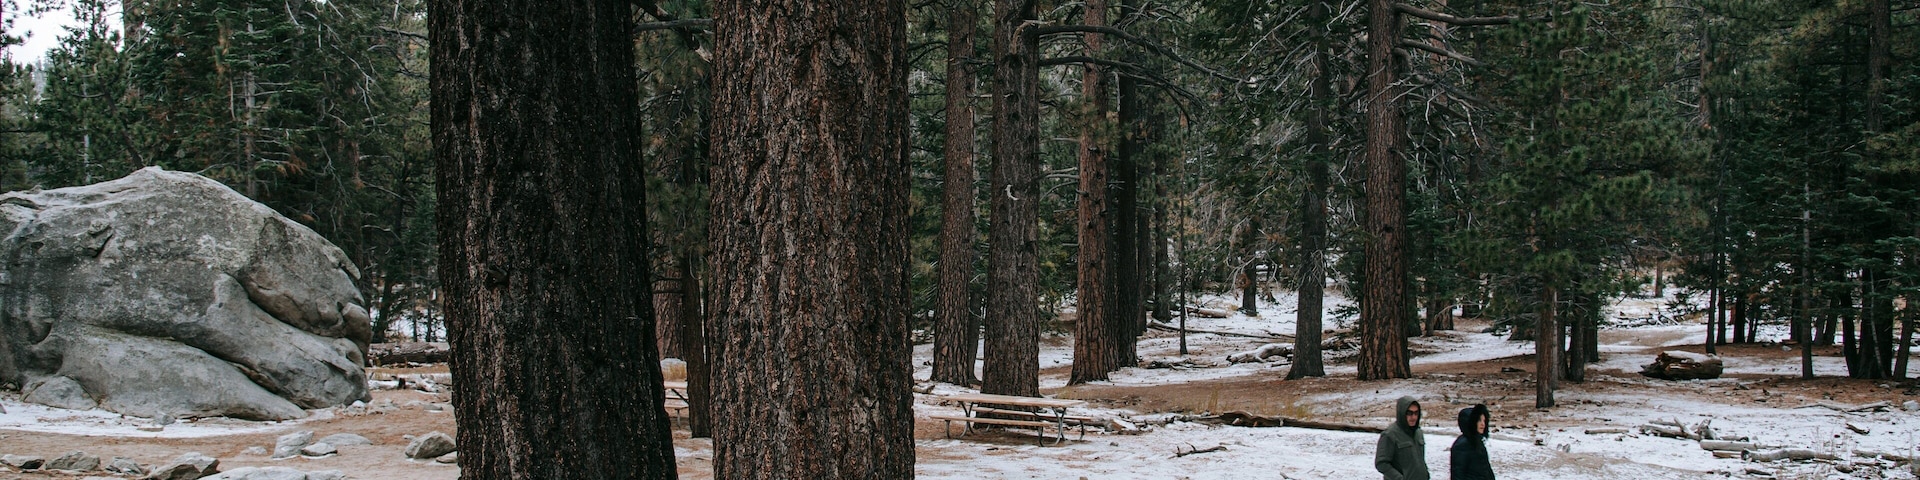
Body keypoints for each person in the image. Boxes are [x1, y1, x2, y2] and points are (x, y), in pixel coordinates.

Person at [1375, 396, 1430, 480]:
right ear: (1402, 413)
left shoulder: (1418, 433)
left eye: (1416, 413)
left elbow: (1420, 459)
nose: (1413, 417)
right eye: (1409, 413)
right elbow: (1381, 463)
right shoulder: (1390, 434)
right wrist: (1399, 478)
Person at [1451, 404, 1495, 480]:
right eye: (1479, 420)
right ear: (1470, 422)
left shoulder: (1477, 442)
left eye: (1484, 420)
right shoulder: (1462, 445)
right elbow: (1458, 474)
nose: (1483, 424)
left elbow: (1486, 470)